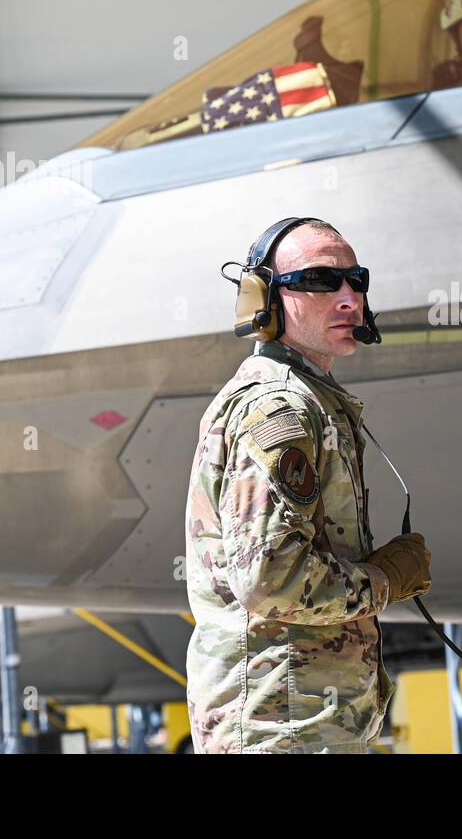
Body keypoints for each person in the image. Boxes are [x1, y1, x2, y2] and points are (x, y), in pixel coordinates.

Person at [185, 218, 432, 754]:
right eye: (321, 281)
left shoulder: (314, 401)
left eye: (355, 280)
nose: (348, 298)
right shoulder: (281, 409)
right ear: (264, 299)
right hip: (284, 723)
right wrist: (384, 582)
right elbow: (272, 579)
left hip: (307, 719)